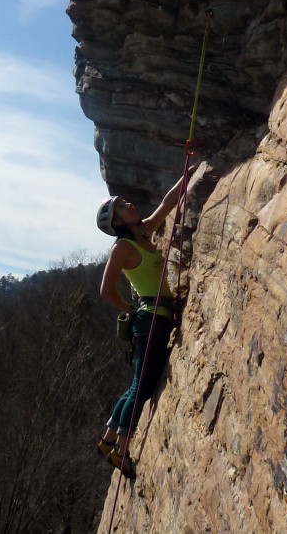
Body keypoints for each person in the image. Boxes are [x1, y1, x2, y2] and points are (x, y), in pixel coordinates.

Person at [94, 166, 200, 479]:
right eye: (121, 206)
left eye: (125, 202)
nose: (129, 204)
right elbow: (106, 290)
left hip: (155, 317)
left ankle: (108, 438)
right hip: (150, 318)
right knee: (141, 388)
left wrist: (188, 173)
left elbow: (167, 203)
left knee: (135, 385)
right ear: (116, 222)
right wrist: (129, 309)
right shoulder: (122, 248)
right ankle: (121, 449)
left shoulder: (144, 232)